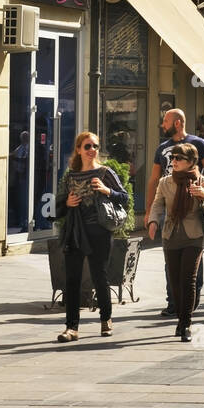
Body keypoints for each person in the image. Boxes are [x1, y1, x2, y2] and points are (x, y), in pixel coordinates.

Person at [54, 130, 129, 342]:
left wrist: (106, 190)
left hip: (99, 231)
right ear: (78, 149)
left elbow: (124, 198)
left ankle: (106, 319)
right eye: (87, 146)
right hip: (75, 232)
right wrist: (66, 204)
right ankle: (71, 328)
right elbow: (57, 207)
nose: (92, 150)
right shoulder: (70, 176)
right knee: (72, 280)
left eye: (95, 146)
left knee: (99, 276)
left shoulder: (105, 173)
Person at [145, 108, 204, 317]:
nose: (162, 125)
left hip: (193, 209)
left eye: (165, 122)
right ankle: (174, 302)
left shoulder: (199, 143)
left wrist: (200, 190)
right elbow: (154, 179)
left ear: (177, 123)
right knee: (172, 264)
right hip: (170, 210)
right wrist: (151, 211)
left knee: (193, 265)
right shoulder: (162, 148)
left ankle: (191, 300)